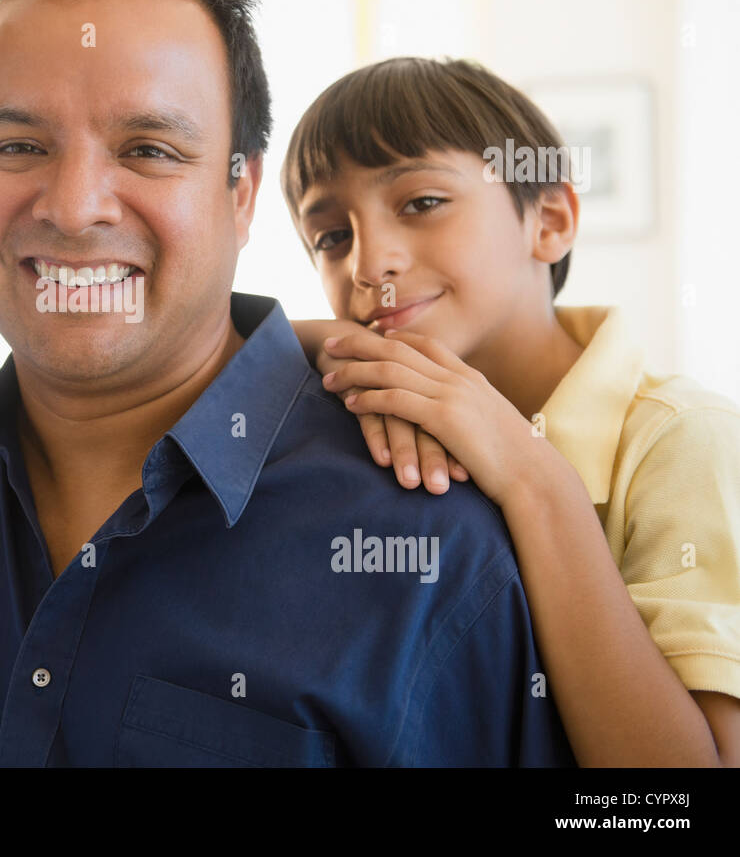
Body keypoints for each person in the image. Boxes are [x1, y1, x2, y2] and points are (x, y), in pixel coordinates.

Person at [0, 0, 574, 767]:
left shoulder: (430, 542)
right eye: (15, 146)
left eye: (149, 148)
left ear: (240, 194)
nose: (76, 207)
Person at [282, 56, 740, 765]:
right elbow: (208, 334)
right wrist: (330, 344)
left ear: (549, 221)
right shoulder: (368, 416)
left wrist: (534, 476)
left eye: (421, 202)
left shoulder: (680, 438)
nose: (370, 263)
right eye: (331, 236)